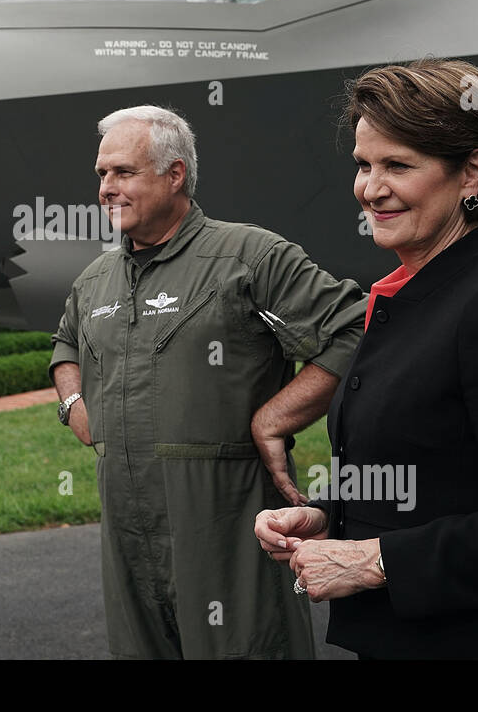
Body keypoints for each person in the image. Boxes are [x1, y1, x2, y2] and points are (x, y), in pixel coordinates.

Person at [254, 59, 478, 658]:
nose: (370, 188)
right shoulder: (403, 295)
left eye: (398, 165)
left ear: (472, 171)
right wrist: (331, 519)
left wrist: (374, 561)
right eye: (363, 165)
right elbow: (442, 476)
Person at [50, 105, 366, 659]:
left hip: (228, 536)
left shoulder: (249, 257)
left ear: (174, 175)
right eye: (101, 174)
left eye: (122, 172)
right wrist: (76, 404)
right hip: (126, 540)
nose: (105, 188)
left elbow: (355, 329)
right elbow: (65, 345)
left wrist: (275, 418)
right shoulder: (94, 279)